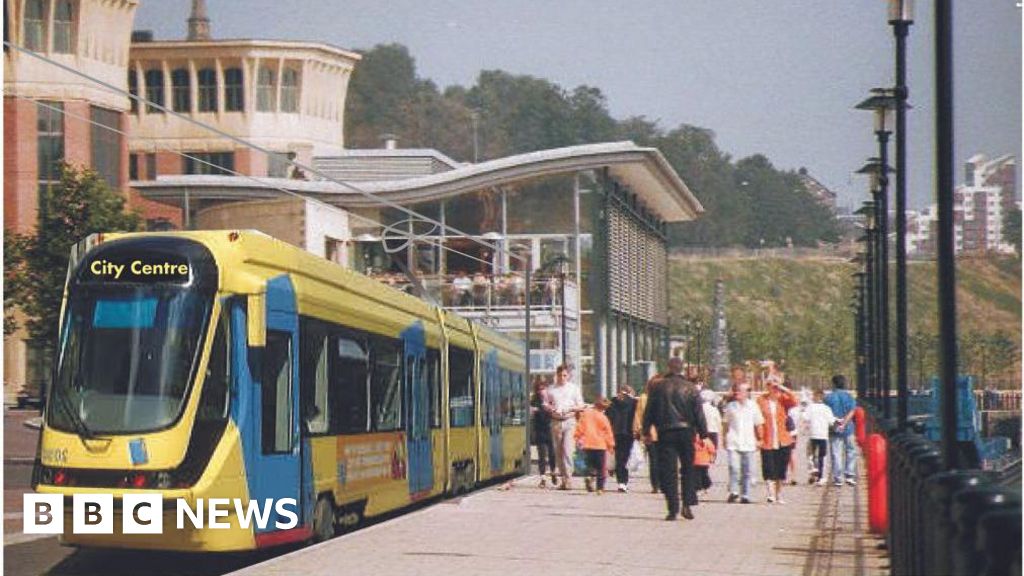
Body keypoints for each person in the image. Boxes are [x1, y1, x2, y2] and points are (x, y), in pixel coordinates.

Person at [643, 357, 708, 521]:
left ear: (668, 367)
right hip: (687, 431)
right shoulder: (691, 387)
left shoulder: (658, 387)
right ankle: (687, 503)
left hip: (665, 431)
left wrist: (646, 431)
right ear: (682, 369)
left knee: (668, 470)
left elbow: (649, 411)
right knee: (688, 468)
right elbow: (698, 413)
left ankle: (672, 508)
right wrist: (704, 434)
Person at [757, 378, 798, 504]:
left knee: (781, 468)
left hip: (783, 438)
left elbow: (795, 400)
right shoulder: (761, 400)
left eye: (775, 386)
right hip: (767, 439)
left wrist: (782, 387)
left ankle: (779, 494)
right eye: (770, 385)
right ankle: (770, 494)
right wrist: (758, 437)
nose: (773, 388)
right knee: (768, 467)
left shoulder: (783, 399)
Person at [545, 364, 585, 489]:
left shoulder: (574, 389)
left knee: (568, 450)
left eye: (564, 375)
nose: (562, 378)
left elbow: (581, 405)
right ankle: (563, 479)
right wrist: (552, 409)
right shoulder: (551, 389)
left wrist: (571, 408)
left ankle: (568, 479)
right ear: (556, 375)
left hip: (569, 421)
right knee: (558, 452)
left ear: (568, 376)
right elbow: (546, 404)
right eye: (560, 375)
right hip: (556, 421)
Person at [723, 383, 763, 504]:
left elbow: (759, 423)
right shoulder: (731, 406)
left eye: (740, 391)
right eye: (736, 390)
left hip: (749, 441)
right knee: (734, 467)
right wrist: (724, 437)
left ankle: (745, 494)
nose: (737, 393)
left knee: (747, 470)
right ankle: (734, 492)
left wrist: (760, 438)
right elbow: (725, 423)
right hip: (733, 441)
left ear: (747, 393)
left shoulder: (753, 406)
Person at [575, 397, 616, 494]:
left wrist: (577, 437)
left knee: (589, 464)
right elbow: (608, 433)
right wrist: (611, 445)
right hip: (600, 445)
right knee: (601, 467)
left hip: (587, 444)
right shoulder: (603, 418)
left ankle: (589, 476)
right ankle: (600, 488)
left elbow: (580, 426)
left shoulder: (586, 414)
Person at [825, 374, 858, 487]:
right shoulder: (849, 397)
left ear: (833, 384)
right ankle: (850, 475)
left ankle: (838, 478)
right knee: (851, 451)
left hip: (833, 427)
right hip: (848, 428)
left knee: (836, 453)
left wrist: (836, 423)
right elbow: (852, 411)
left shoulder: (828, 398)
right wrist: (844, 423)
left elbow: (826, 413)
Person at [633, 374, 663, 493]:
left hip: (650, 433)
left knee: (654, 460)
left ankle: (656, 485)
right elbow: (639, 416)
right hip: (661, 433)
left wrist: (639, 430)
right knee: (661, 460)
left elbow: (638, 416)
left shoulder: (644, 398)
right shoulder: (663, 397)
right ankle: (659, 483)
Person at [607, 385, 638, 492]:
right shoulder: (634, 403)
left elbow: (608, 418)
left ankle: (621, 481)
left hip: (615, 432)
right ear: (630, 392)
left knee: (618, 457)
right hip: (628, 433)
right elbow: (636, 418)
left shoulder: (612, 402)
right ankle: (624, 482)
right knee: (625, 458)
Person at [803, 389, 837, 486]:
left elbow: (805, 418)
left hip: (813, 434)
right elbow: (831, 421)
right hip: (823, 435)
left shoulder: (810, 407)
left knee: (811, 454)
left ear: (814, 397)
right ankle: (821, 477)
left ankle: (814, 469)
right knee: (822, 456)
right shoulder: (827, 408)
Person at [530, 376, 557, 487]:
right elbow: (532, 410)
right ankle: (543, 478)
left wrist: (550, 408)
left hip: (550, 427)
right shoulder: (535, 398)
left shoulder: (551, 397)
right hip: (539, 428)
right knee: (541, 454)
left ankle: (553, 472)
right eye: (539, 387)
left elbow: (556, 409)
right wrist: (537, 410)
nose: (542, 389)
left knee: (552, 453)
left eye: (543, 386)